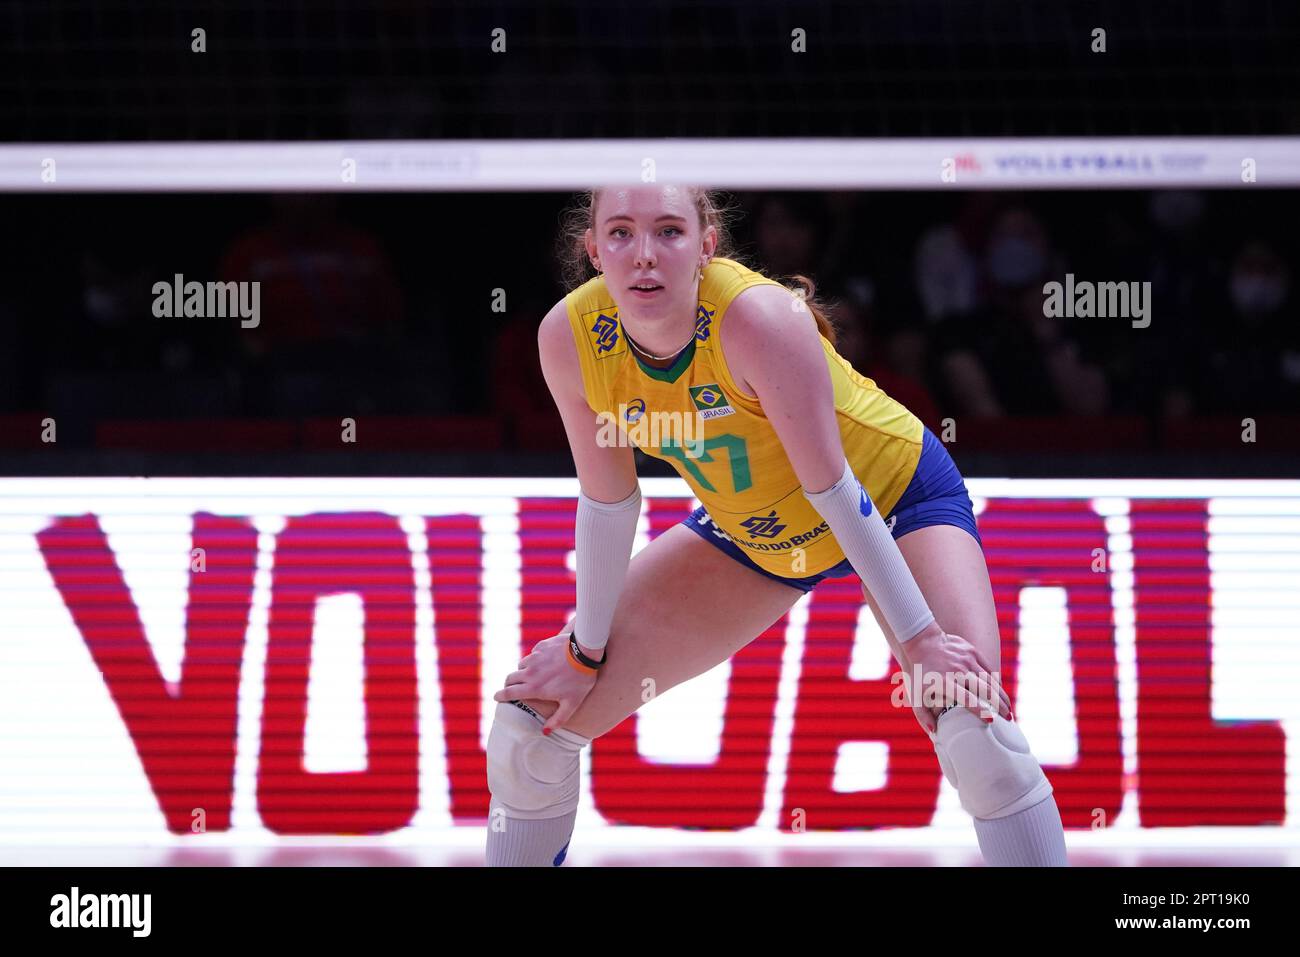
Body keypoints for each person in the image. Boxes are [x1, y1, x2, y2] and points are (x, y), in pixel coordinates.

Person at [485, 184, 1069, 867]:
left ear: (707, 244)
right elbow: (610, 501)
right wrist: (582, 653)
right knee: (529, 732)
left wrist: (923, 642)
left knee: (974, 728)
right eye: (620, 234)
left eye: (669, 232)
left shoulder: (759, 318)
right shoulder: (569, 336)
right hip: (755, 534)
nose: (644, 256)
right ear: (593, 249)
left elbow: (833, 488)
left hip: (892, 499)